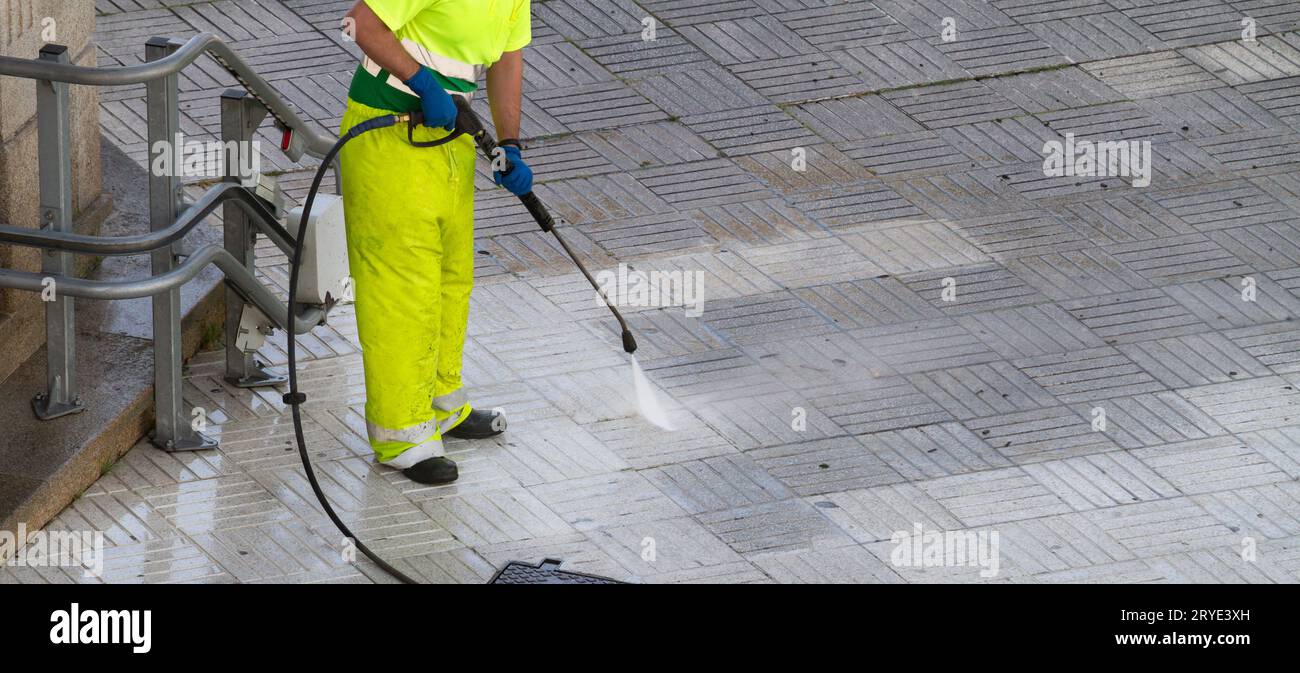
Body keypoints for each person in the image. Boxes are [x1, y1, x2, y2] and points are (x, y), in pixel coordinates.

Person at [340, 0, 533, 484]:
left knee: (451, 278)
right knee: (403, 291)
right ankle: (402, 434)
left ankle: (442, 404)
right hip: (390, 133)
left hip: (449, 138)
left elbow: (507, 57)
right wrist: (422, 81)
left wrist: (509, 143)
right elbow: (362, 23)